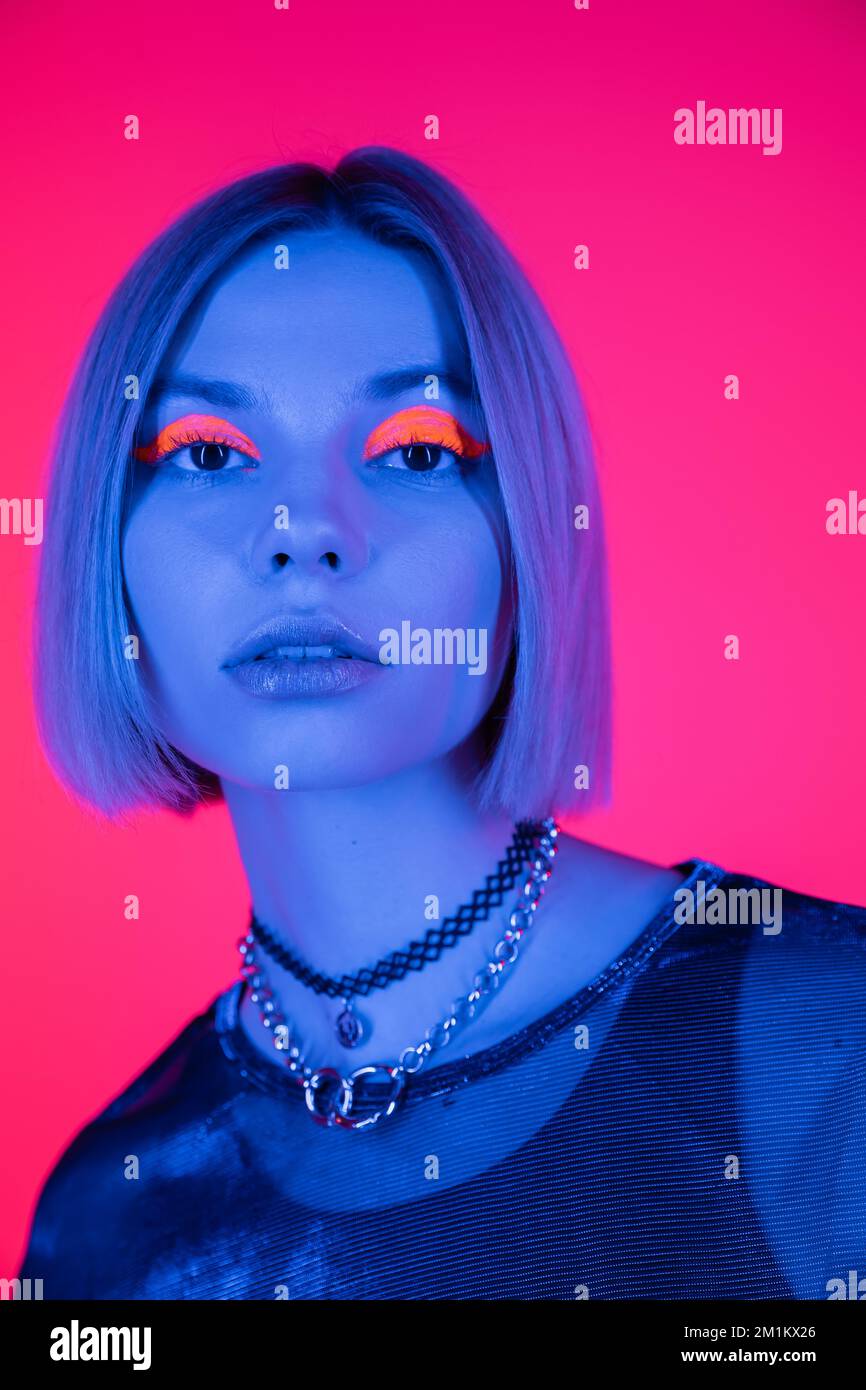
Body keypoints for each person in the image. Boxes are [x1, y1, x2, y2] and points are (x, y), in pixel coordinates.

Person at [18, 149, 866, 1300]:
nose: (303, 532)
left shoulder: (828, 1046)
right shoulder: (102, 1221)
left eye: (415, 449)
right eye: (207, 453)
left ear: (524, 531)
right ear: (102, 551)